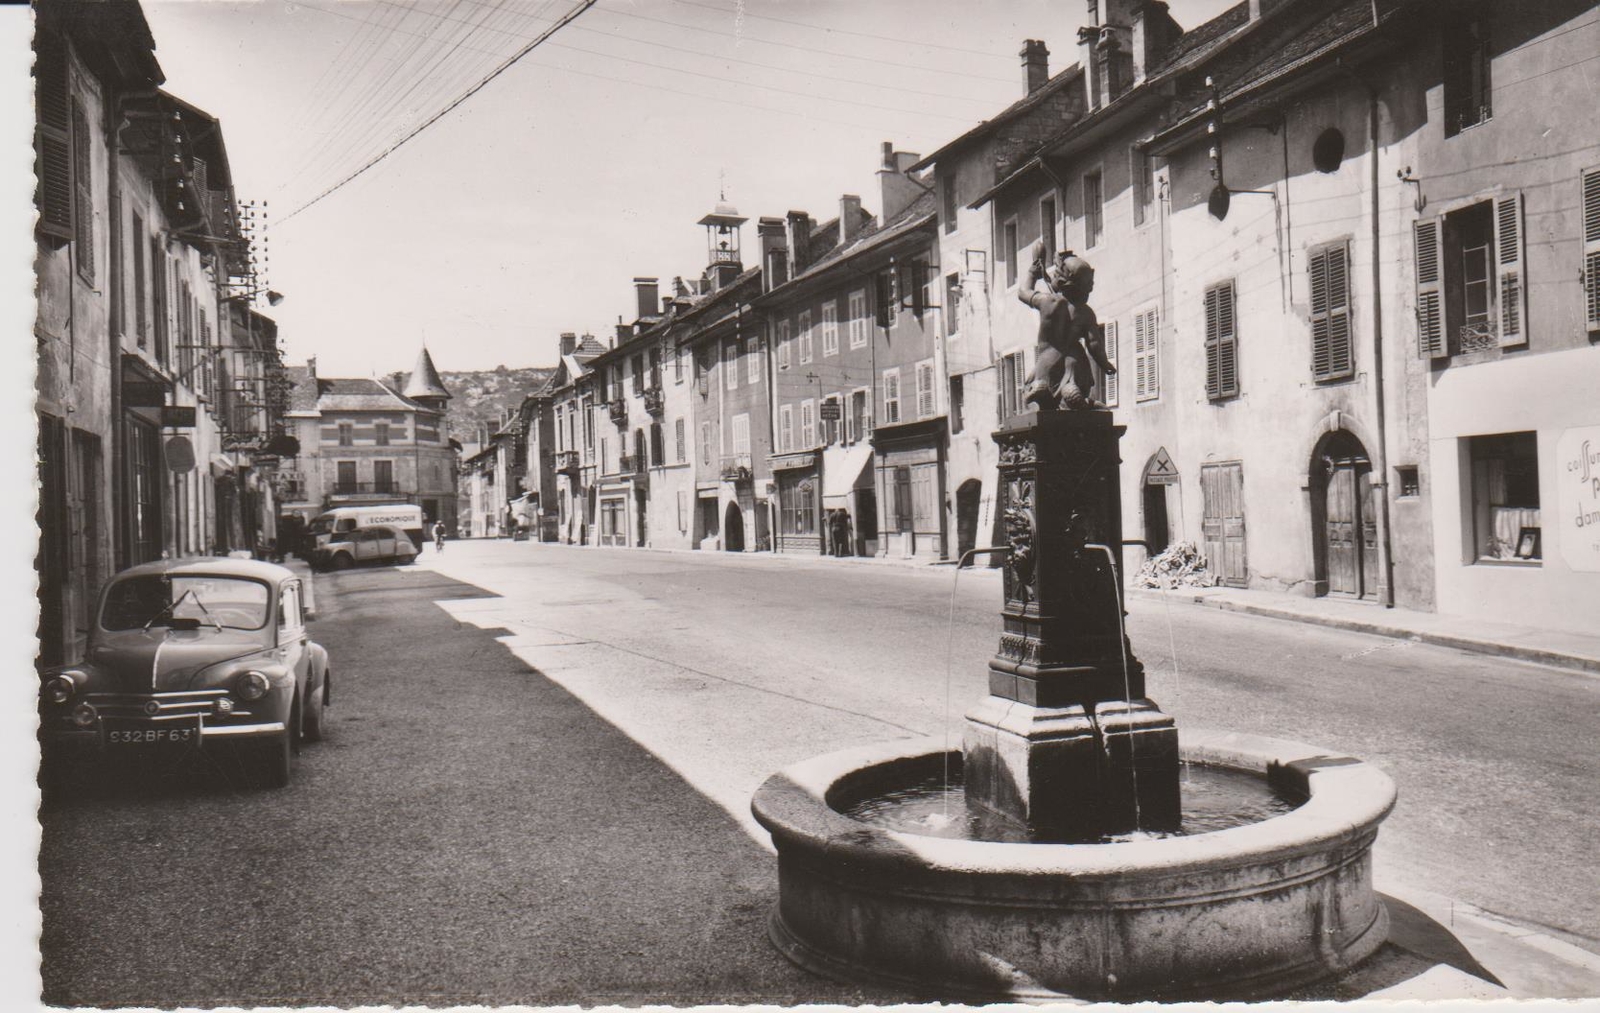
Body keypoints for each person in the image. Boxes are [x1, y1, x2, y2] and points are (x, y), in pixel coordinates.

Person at [1017, 243, 1116, 410]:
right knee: (1072, 397)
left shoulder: (1048, 301)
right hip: (1075, 363)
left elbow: (1023, 292)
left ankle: (1042, 390)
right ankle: (1072, 394)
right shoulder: (1085, 312)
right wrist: (1105, 363)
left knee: (1044, 406)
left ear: (1061, 280)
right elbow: (1094, 344)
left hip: (1048, 362)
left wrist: (1032, 272)